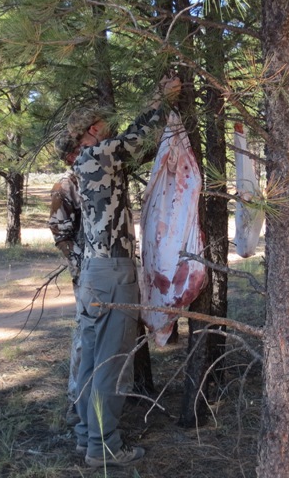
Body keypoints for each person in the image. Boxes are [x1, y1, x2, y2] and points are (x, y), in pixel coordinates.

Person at [69, 76, 180, 468]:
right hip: (112, 272)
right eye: (105, 123)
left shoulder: (86, 161)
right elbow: (138, 136)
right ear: (94, 130)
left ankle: (87, 437)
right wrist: (162, 98)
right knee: (112, 361)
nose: (111, 127)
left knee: (91, 359)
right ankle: (104, 446)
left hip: (94, 273)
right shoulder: (98, 154)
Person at [47, 132, 84, 415]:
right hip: (87, 273)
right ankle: (76, 400)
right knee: (85, 335)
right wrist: (81, 266)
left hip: (112, 270)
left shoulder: (99, 174)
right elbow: (61, 233)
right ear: (71, 155)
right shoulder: (66, 185)